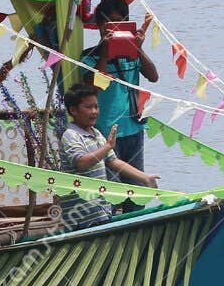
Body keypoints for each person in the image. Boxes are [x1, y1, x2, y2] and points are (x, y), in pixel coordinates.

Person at [56, 85, 158, 230]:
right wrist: (107, 147)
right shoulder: (71, 135)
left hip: (100, 211)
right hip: (79, 217)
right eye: (88, 107)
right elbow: (81, 163)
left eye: (96, 107)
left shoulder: (96, 133)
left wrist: (144, 178)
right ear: (73, 110)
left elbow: (113, 161)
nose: (94, 112)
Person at [81, 0, 159, 172]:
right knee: (111, 186)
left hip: (134, 129)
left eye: (121, 23)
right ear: (101, 26)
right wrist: (104, 55)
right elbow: (93, 88)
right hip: (104, 132)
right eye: (110, 24)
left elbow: (153, 76)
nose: (116, 29)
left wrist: (138, 49)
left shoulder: (131, 55)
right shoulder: (89, 57)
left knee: (136, 186)